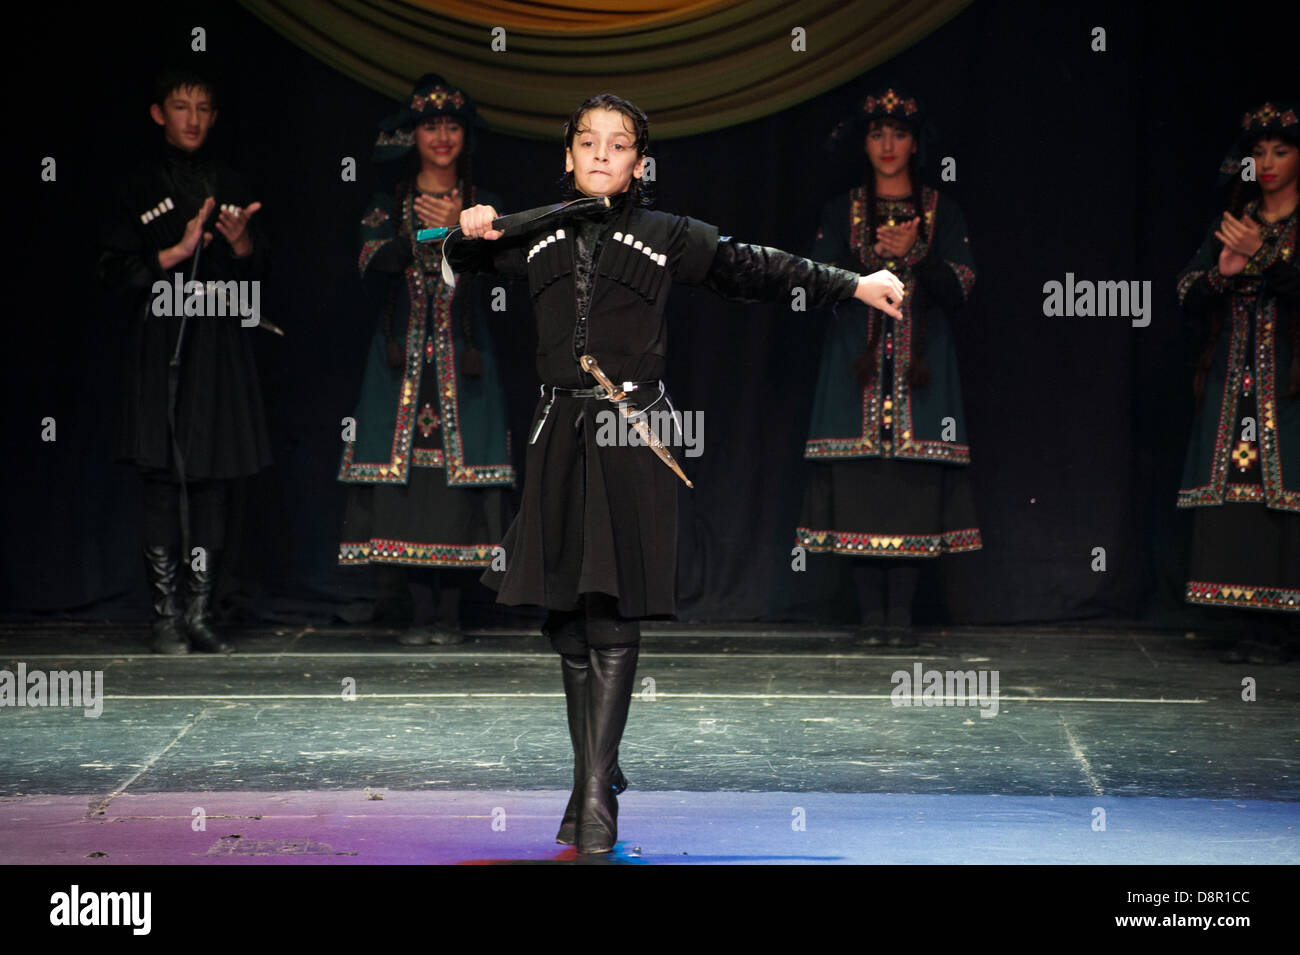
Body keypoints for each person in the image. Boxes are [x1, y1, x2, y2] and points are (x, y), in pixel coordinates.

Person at [444, 93, 905, 854]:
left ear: (637, 162)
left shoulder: (667, 237)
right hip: (558, 430)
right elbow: (463, 255)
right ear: (567, 155)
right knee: (564, 615)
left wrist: (852, 284)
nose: (600, 153)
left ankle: (595, 797)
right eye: (586, 141)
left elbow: (758, 266)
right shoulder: (533, 233)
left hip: (629, 431)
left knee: (611, 607)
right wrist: (467, 227)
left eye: (617, 144)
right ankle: (594, 770)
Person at [795, 86, 981, 646]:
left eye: (899, 132)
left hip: (920, 377)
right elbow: (813, 281)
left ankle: (899, 618)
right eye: (877, 132)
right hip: (858, 374)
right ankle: (868, 620)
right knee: (860, 487)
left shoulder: (941, 210)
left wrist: (917, 252)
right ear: (864, 142)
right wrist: (868, 262)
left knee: (910, 489)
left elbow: (963, 285)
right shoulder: (841, 209)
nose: (888, 143)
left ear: (915, 142)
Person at [337, 74, 515, 646]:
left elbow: (508, 272)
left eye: (452, 125)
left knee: (461, 480)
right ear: (412, 135)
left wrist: (472, 227)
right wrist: (429, 233)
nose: (442, 136)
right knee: (408, 479)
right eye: (430, 125)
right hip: (401, 360)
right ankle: (419, 614)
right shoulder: (385, 205)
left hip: (466, 363)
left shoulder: (485, 203)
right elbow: (372, 265)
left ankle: (453, 614)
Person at [99, 68, 271, 655]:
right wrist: (176, 250)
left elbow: (263, 281)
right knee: (159, 478)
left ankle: (201, 613)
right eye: (180, 106)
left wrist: (242, 244)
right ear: (158, 113)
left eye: (203, 108)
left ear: (215, 117)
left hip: (219, 345)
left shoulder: (231, 181)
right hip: (159, 345)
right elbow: (111, 273)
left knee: (212, 480)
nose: (192, 118)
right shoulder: (136, 184)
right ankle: (163, 617)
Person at [1176, 100, 1300, 664]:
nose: (1267, 162)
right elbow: (1185, 291)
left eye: (1281, 150)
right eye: (1258, 152)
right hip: (1234, 375)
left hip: (1291, 381)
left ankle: (1284, 627)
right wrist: (1222, 274)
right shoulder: (1237, 216)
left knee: (1286, 488)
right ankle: (1246, 620)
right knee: (1238, 493)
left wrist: (1266, 259)